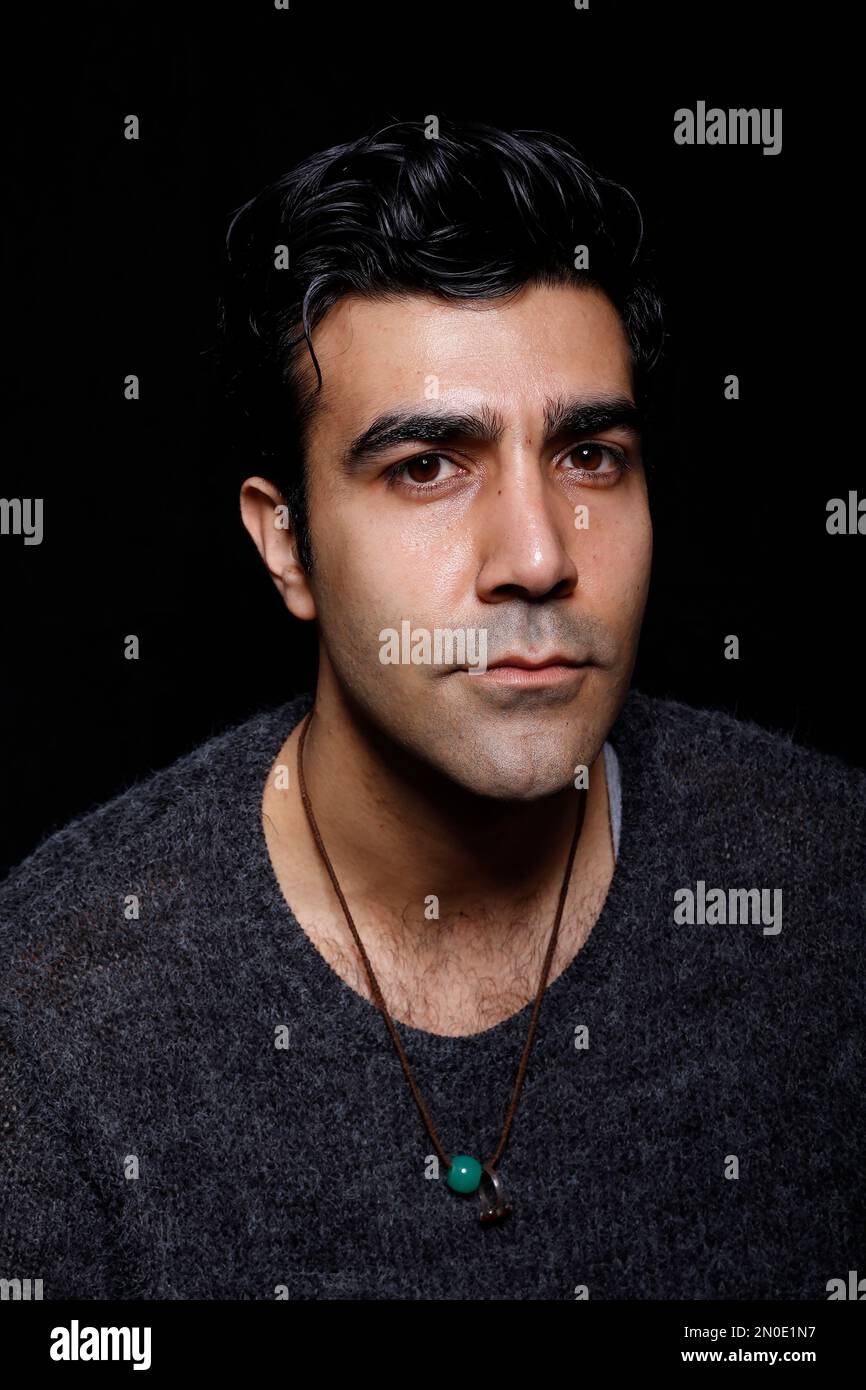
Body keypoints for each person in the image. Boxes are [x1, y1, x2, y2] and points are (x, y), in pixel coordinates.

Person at [1, 119, 862, 1301]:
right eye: (424, 466)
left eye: (589, 455)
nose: (535, 556)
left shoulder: (826, 890)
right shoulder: (54, 1014)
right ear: (286, 543)